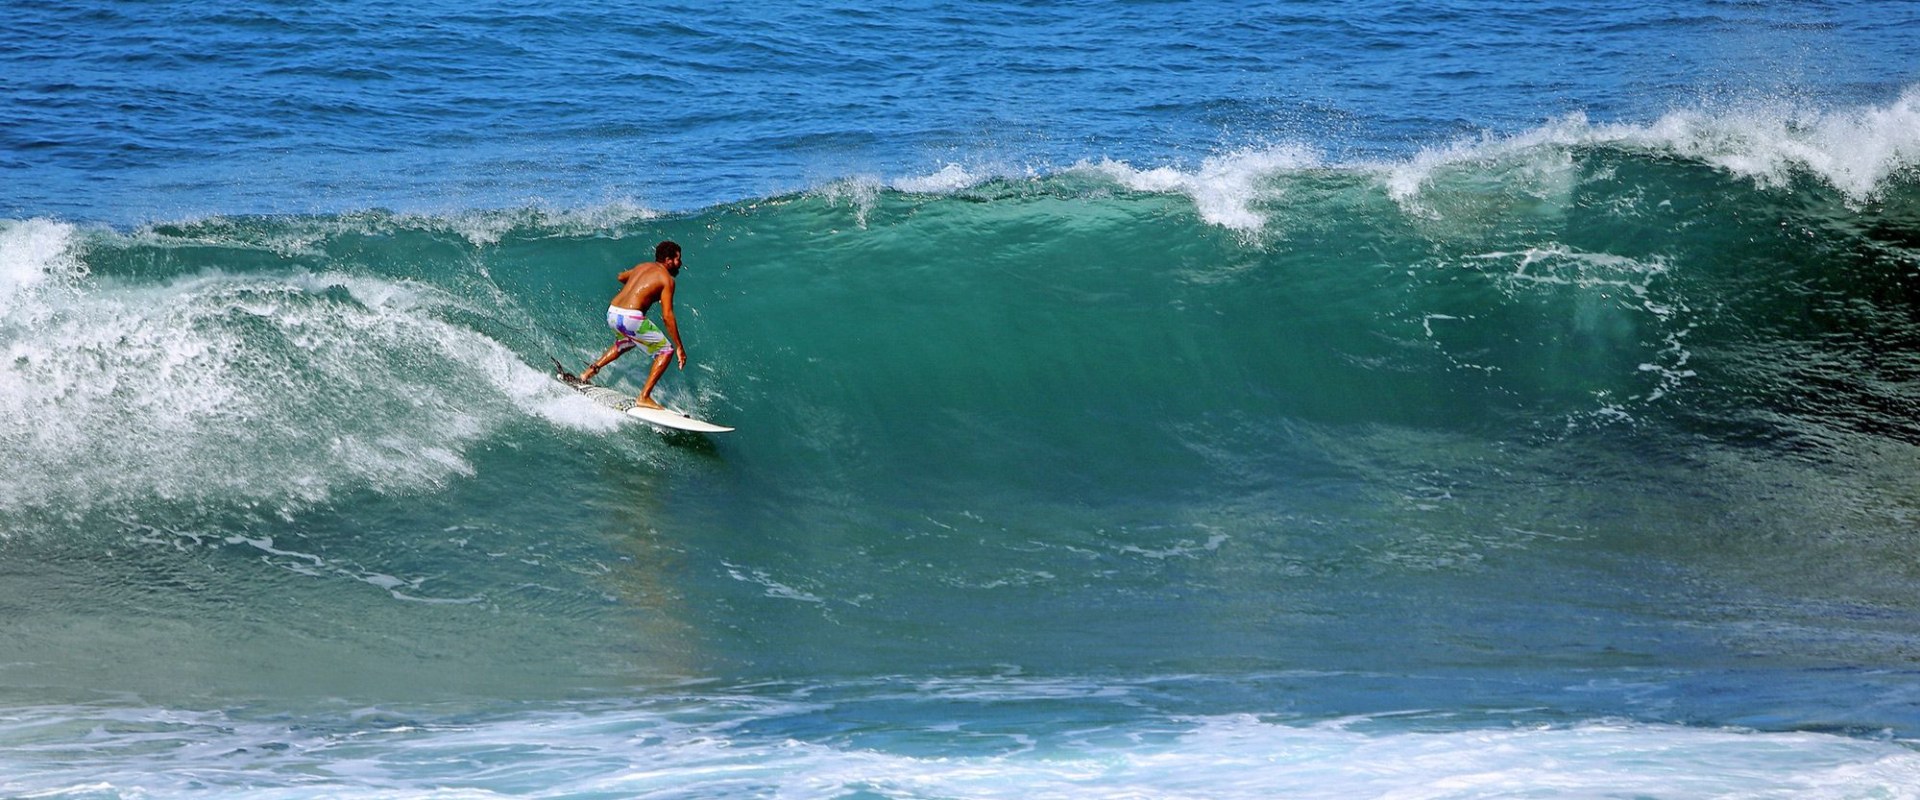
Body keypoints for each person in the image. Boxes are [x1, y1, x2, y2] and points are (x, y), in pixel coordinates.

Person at [577, 240, 687, 410]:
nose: (680, 263)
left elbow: (621, 276)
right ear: (668, 259)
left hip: (613, 312)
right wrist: (679, 347)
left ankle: (588, 372)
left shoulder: (642, 266)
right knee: (666, 351)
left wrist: (641, 289)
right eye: (678, 259)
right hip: (631, 318)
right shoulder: (666, 279)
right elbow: (667, 316)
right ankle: (644, 397)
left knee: (626, 342)